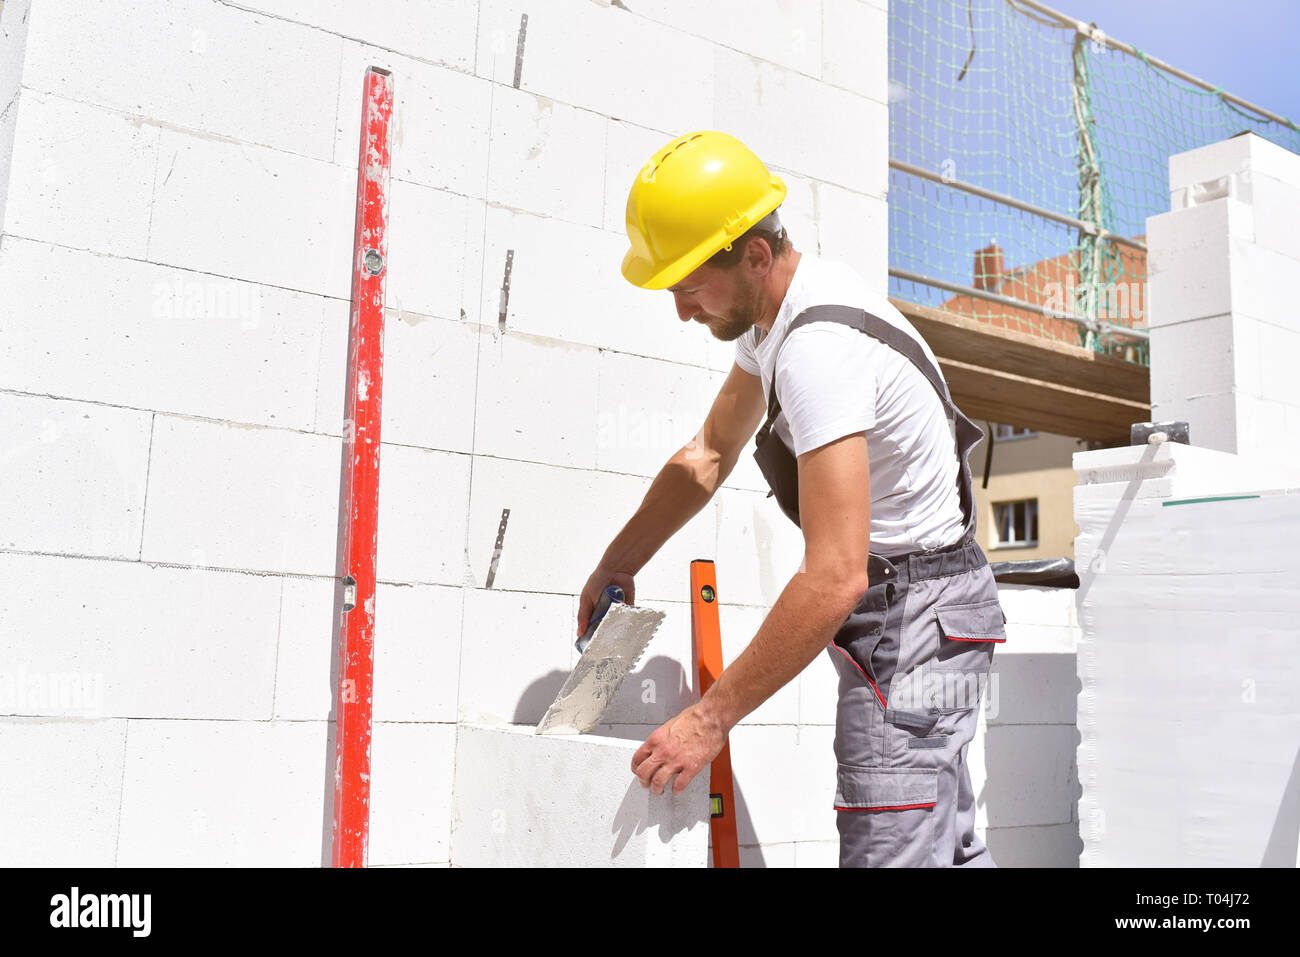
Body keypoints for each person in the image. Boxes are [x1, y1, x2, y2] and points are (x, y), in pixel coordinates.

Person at [576, 130, 1005, 867]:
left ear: (755, 255)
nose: (681, 310)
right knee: (944, 849)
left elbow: (836, 575)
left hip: (916, 618)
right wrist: (620, 558)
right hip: (937, 605)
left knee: (895, 847)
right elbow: (709, 453)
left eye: (690, 285)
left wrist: (710, 718)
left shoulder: (816, 351)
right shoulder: (774, 320)